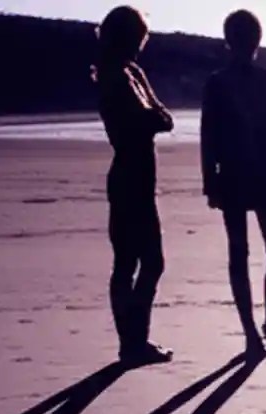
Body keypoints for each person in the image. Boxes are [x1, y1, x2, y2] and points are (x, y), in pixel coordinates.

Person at [202, 10, 266, 356]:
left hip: (236, 177)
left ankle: (254, 332)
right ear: (257, 40)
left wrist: (209, 180)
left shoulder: (220, 82)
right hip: (263, 176)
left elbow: (208, 137)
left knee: (241, 253)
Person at [94, 5, 174, 366]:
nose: (141, 45)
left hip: (138, 174)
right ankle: (132, 341)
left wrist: (154, 117)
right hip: (130, 174)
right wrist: (153, 118)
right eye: (138, 38)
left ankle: (134, 341)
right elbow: (150, 119)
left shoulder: (131, 72)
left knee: (136, 261)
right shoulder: (114, 75)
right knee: (141, 261)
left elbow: (162, 117)